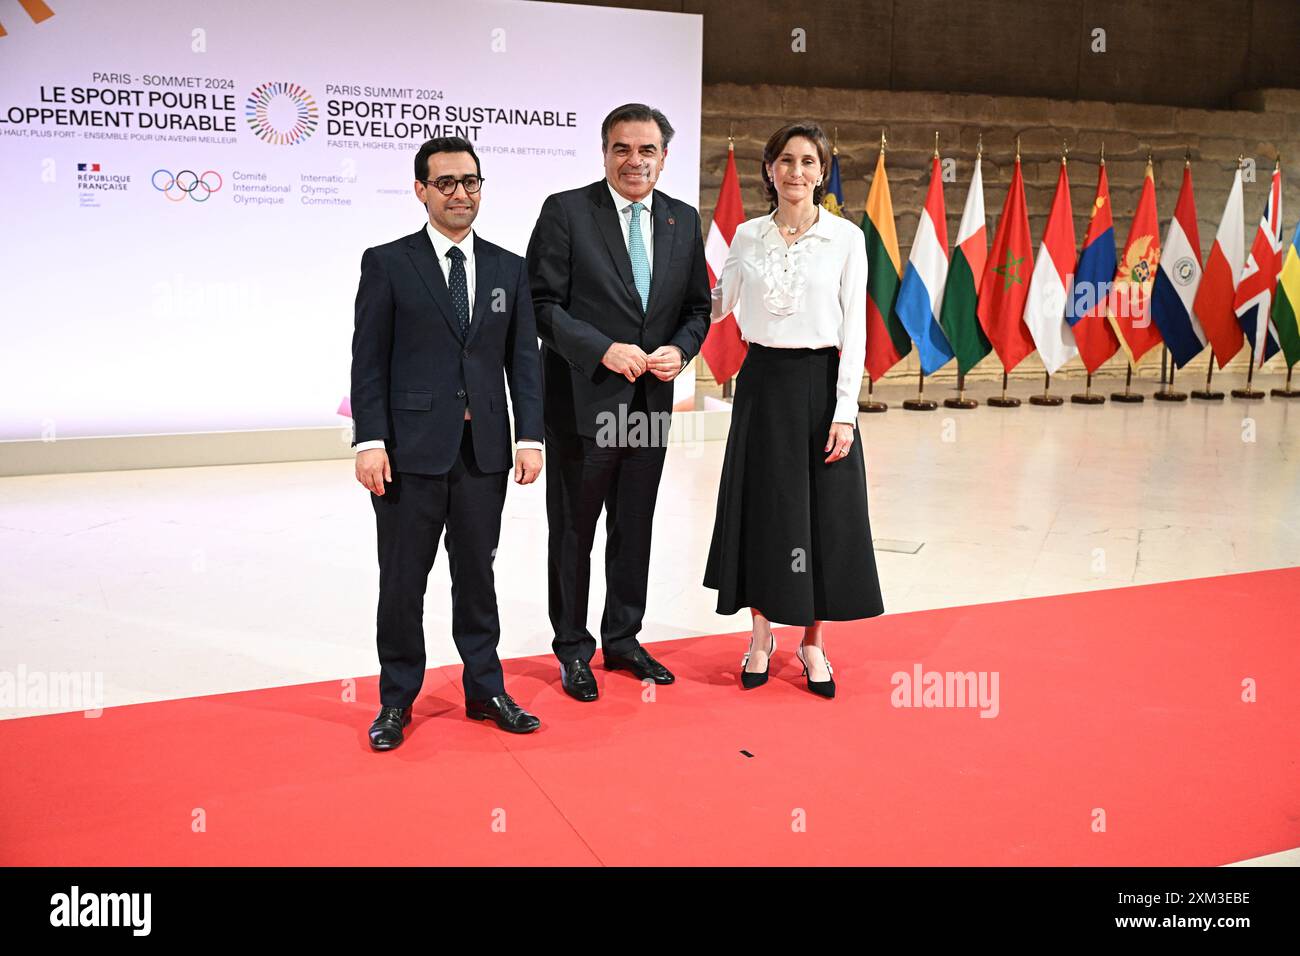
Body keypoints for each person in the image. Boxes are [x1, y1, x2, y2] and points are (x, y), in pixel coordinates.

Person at [351, 136, 545, 750]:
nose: (461, 193)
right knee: (403, 581)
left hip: (484, 452)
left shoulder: (509, 268)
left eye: (471, 182)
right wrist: (370, 440)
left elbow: (523, 361)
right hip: (408, 454)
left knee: (477, 576)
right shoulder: (387, 262)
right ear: (421, 190)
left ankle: (486, 688)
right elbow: (369, 361)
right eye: (447, 183)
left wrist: (530, 436)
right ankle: (396, 699)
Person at [526, 103, 711, 702]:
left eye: (647, 150)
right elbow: (542, 306)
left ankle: (623, 638)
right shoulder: (567, 212)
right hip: (584, 404)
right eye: (622, 149)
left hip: (649, 404)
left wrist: (681, 353)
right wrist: (601, 349)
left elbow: (696, 310)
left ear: (664, 157)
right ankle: (573, 649)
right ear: (604, 153)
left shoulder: (683, 221)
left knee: (634, 527)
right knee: (575, 531)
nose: (635, 160)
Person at [703, 122, 885, 699]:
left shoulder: (846, 239)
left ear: (823, 170)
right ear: (769, 169)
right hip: (761, 383)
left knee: (821, 515)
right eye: (786, 161)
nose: (797, 172)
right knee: (762, 511)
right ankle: (760, 637)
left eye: (809, 161)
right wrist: (659, 298)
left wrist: (845, 411)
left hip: (819, 383)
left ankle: (812, 642)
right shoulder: (747, 234)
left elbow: (854, 330)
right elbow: (717, 306)